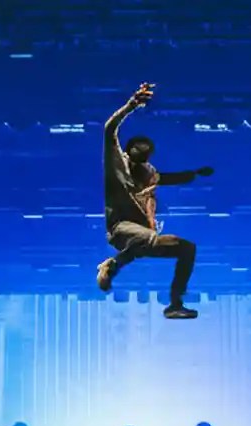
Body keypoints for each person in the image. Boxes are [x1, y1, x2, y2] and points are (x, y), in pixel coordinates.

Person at [95, 82, 215, 320]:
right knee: (145, 238)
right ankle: (112, 263)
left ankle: (175, 304)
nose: (145, 176)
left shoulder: (149, 173)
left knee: (186, 248)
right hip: (120, 229)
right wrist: (132, 105)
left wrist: (194, 174)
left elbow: (167, 178)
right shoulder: (117, 165)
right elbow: (109, 130)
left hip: (142, 236)